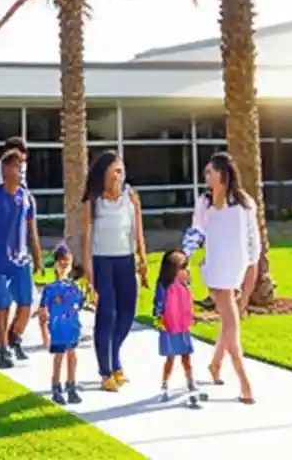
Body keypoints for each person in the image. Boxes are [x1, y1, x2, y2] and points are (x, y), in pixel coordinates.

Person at [193, 151, 260, 404]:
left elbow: (254, 240)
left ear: (222, 174)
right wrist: (183, 259)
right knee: (232, 325)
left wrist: (251, 273)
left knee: (229, 323)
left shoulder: (244, 204)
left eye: (210, 171)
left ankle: (215, 364)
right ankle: (245, 383)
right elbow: (196, 231)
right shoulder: (204, 202)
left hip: (236, 268)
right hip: (215, 269)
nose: (206, 175)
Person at [80, 150, 148, 392]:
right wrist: (88, 270)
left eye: (121, 171)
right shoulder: (93, 200)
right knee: (106, 314)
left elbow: (137, 229)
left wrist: (142, 259)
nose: (119, 176)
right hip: (102, 261)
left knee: (127, 314)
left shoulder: (131, 196)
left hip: (126, 260)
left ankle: (114, 354)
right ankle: (106, 371)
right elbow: (87, 236)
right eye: (114, 172)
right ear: (103, 175)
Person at [0, 149, 43, 369]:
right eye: (16, 165)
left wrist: (38, 257)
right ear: (5, 170)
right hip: (0, 262)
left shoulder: (26, 198)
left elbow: (31, 229)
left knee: (26, 305)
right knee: (3, 307)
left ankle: (14, 338)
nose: (21, 170)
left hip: (22, 261)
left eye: (22, 165)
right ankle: (3, 348)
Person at [36, 244, 85, 405]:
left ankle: (71, 385)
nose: (64, 267)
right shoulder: (50, 289)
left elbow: (81, 303)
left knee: (72, 355)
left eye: (67, 264)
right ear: (56, 265)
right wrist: (44, 333)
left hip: (72, 328)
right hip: (58, 329)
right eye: (61, 263)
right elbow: (42, 312)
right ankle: (56, 386)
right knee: (59, 357)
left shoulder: (75, 288)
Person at [153, 249, 201, 405]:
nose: (186, 269)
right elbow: (158, 306)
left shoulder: (183, 285)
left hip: (182, 327)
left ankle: (190, 381)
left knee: (186, 358)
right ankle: (164, 385)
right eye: (182, 266)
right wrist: (160, 321)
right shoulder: (164, 287)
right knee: (170, 359)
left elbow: (188, 302)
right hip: (169, 328)